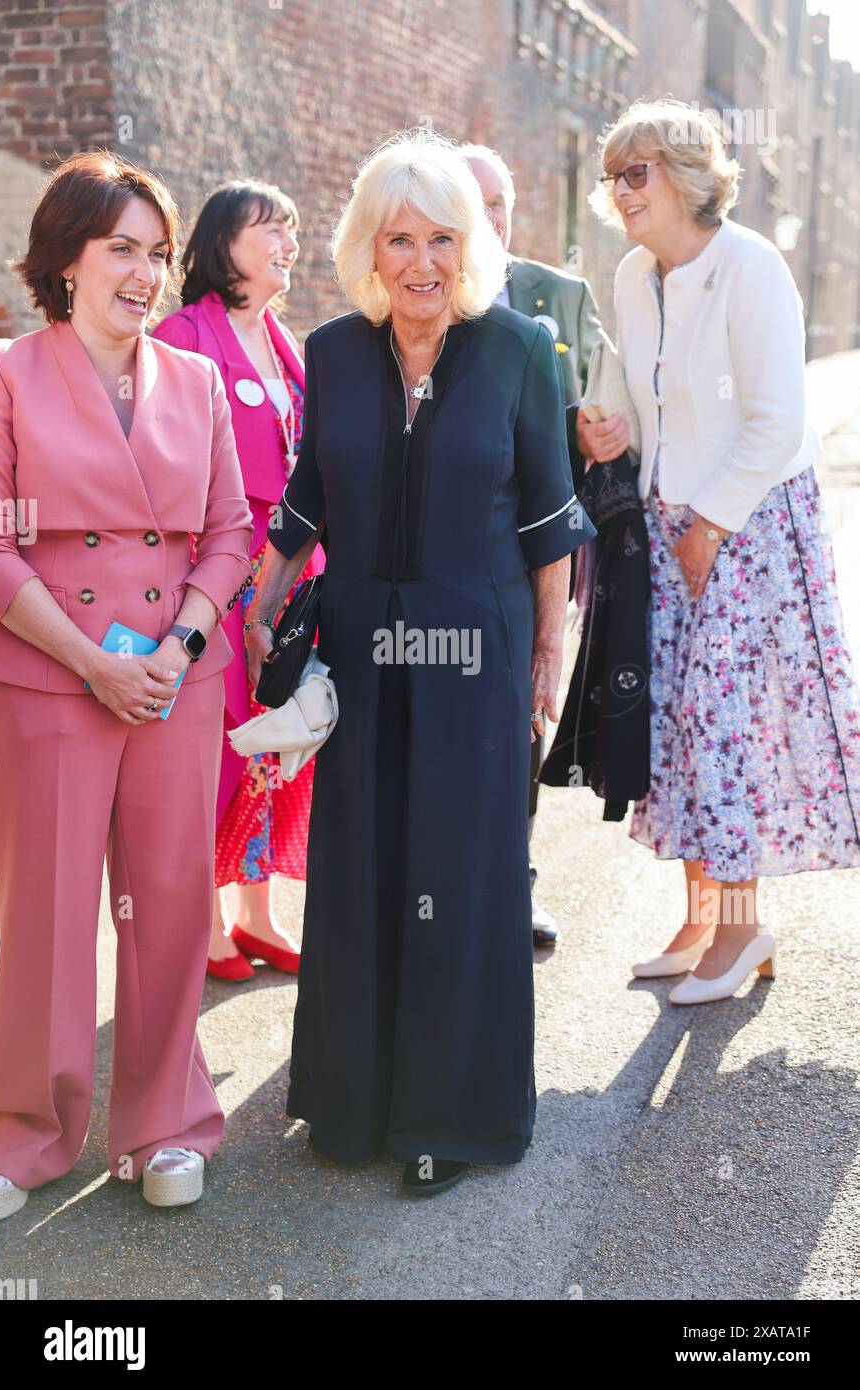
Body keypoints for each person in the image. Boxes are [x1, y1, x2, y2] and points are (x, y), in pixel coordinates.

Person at [244, 127, 594, 1196]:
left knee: (457, 877)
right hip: (360, 646)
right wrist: (257, 607)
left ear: (471, 244)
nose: (421, 262)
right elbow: (309, 491)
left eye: (443, 237)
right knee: (357, 866)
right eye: (399, 238)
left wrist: (547, 658)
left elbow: (547, 519)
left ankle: (450, 1115)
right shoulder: (338, 350)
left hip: (472, 654)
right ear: (369, 247)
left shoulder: (519, 348)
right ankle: (350, 1103)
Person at [0, 151, 253, 1222]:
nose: (144, 273)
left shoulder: (194, 380)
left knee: (168, 904)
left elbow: (231, 533)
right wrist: (92, 661)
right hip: (53, 676)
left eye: (157, 252)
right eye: (121, 251)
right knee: (46, 914)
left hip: (170, 681)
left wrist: (175, 650)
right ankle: (27, 1133)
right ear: (66, 260)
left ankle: (163, 1126)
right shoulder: (7, 374)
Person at [589, 98, 860, 1003]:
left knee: (730, 720)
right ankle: (703, 917)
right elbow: (644, 398)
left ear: (689, 177)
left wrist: (708, 527)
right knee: (682, 720)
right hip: (673, 526)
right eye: (613, 177)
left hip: (749, 526)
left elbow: (779, 416)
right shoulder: (634, 275)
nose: (622, 192)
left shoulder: (751, 266)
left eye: (639, 172)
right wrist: (607, 430)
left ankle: (744, 932)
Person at [153, 181, 323, 982]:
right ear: (225, 245)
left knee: (280, 744)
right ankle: (209, 920)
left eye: (291, 228)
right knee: (218, 746)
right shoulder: (186, 335)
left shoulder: (288, 343)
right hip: (218, 577)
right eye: (271, 229)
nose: (288, 241)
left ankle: (258, 910)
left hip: (295, 577)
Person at [462, 141, 627, 945]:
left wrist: (601, 430)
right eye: (473, 201)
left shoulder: (560, 295)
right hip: (448, 548)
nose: (488, 216)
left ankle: (513, 877)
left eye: (499, 203)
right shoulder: (420, 292)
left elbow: (608, 401)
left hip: (548, 542)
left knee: (529, 706)